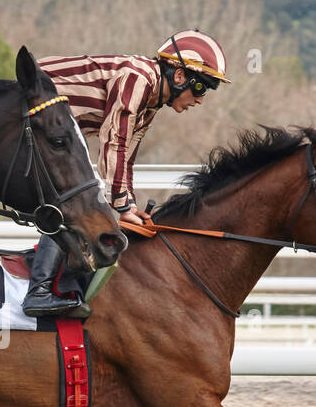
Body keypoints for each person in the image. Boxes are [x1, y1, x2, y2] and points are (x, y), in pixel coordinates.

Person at [24, 30, 231, 316]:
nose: (200, 100)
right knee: (75, 198)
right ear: (181, 76)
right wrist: (120, 204)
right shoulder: (138, 76)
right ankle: (40, 291)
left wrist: (128, 206)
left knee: (83, 198)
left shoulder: (151, 105)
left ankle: (60, 283)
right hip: (25, 114)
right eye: (201, 88)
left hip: (49, 135)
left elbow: (126, 159)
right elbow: (114, 140)